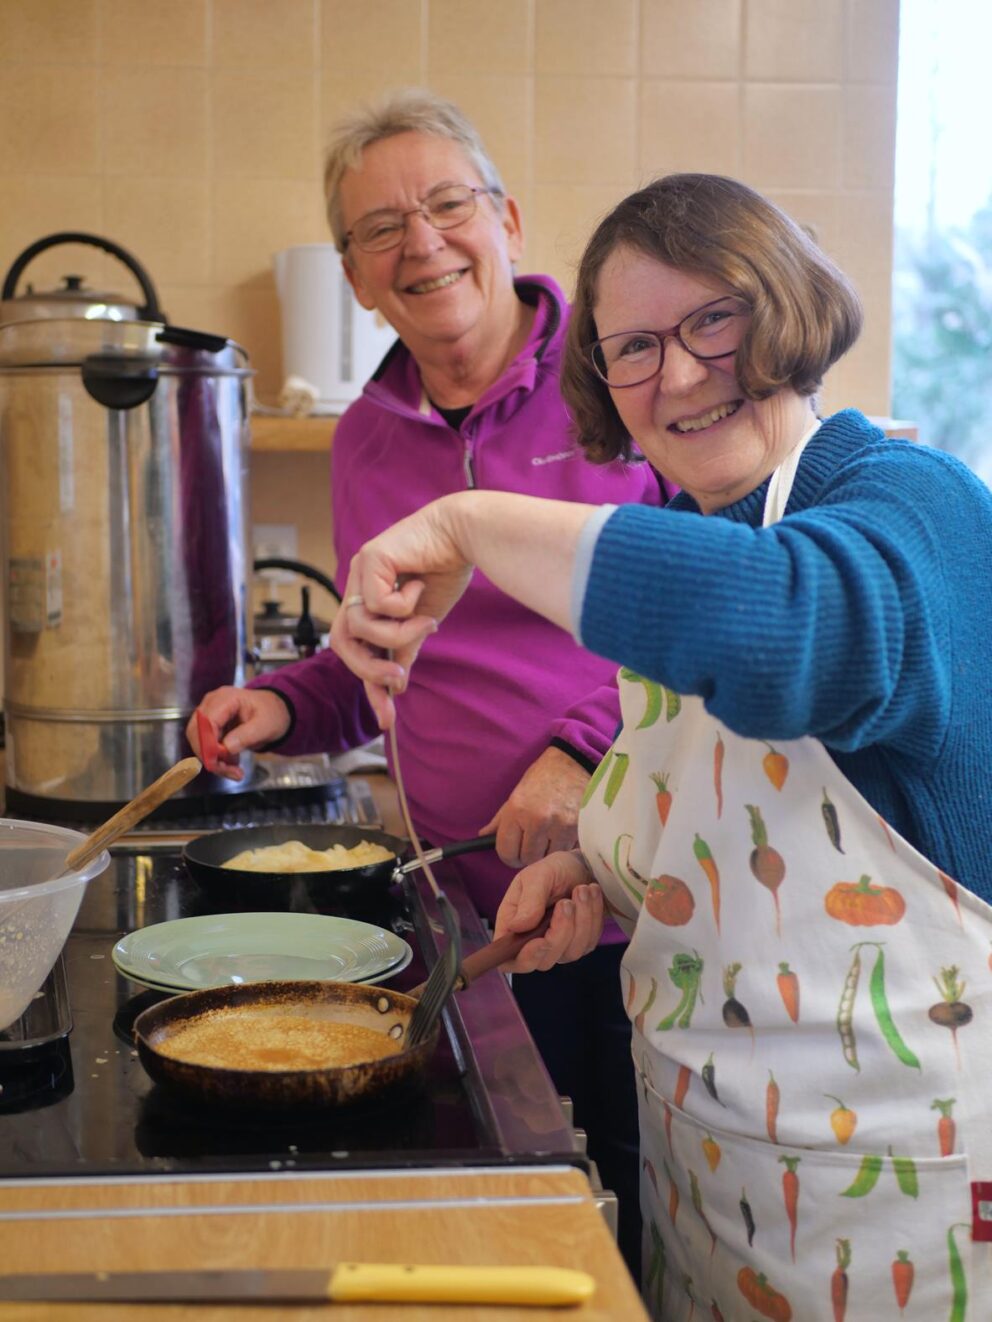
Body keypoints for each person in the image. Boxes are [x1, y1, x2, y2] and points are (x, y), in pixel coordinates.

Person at [330, 173, 992, 1320]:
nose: (675, 374)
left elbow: (792, 632)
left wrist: (470, 521)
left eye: (711, 321)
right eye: (630, 346)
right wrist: (601, 862)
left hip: (889, 1219)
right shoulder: (684, 540)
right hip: (699, 1191)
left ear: (785, 309)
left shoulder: (912, 500)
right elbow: (722, 803)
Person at [187, 90, 663, 1273]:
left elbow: (690, 608)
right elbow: (377, 658)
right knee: (526, 1205)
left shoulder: (616, 382)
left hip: (634, 888)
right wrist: (289, 702)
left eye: (446, 204)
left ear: (504, 217)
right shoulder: (366, 436)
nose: (422, 242)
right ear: (352, 277)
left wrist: (581, 747)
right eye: (379, 228)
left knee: (650, 1200)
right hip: (465, 912)